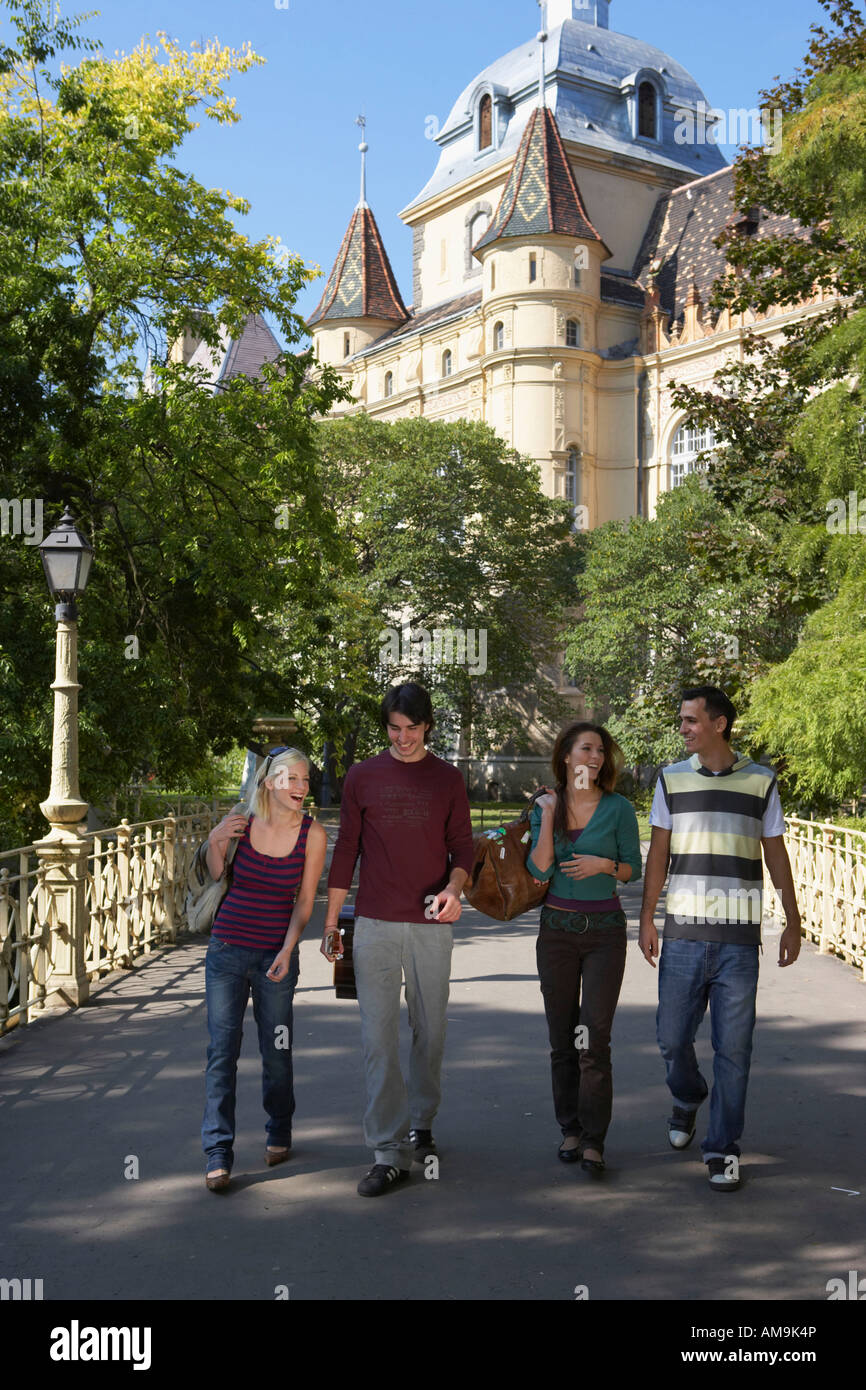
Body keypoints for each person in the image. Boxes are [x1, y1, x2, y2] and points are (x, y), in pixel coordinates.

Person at [639, 686, 801, 1192]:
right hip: (683, 934)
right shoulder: (669, 779)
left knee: (735, 1050)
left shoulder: (761, 782)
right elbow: (658, 856)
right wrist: (646, 918)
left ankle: (722, 1150)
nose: (683, 728)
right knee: (671, 1039)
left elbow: (775, 854)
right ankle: (687, 1098)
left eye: (690, 720)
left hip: (738, 942)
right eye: (681, 720)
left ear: (720, 723)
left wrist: (793, 920)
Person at [322, 683, 475, 1197]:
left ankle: (422, 1120)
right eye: (394, 727)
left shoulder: (448, 779)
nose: (403, 737)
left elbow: (462, 850)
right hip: (375, 925)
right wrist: (330, 923)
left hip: (433, 923)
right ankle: (388, 1151)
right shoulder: (362, 777)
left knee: (430, 1033)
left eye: (412, 728)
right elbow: (345, 850)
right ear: (384, 725)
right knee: (377, 1038)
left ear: (427, 725)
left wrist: (455, 889)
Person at [201, 747, 327, 1192]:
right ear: (270, 781)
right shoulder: (243, 819)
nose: (300, 787)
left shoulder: (313, 834)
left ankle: (279, 1127)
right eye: (291, 778)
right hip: (226, 951)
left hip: (275, 956)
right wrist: (217, 838)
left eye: (306, 780)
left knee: (277, 1049)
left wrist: (289, 950)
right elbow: (219, 876)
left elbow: (306, 901)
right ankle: (218, 1151)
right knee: (222, 1051)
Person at [527, 722, 642, 1177]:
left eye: (601, 750)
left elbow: (632, 868)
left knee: (594, 1040)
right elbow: (538, 869)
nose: (594, 757)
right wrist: (550, 813)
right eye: (586, 749)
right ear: (567, 756)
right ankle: (569, 1129)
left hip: (604, 934)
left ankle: (594, 1141)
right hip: (556, 931)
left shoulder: (619, 808)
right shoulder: (546, 804)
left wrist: (606, 865)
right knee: (562, 1039)